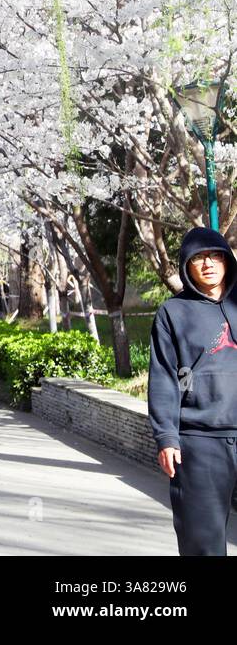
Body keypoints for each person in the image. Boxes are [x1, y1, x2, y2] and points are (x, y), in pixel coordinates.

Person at [148, 227, 237, 556]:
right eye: (198, 258)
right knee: (204, 545)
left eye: (215, 255)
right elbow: (164, 378)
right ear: (187, 266)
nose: (208, 263)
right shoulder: (173, 313)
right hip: (200, 443)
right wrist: (167, 437)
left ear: (226, 260)